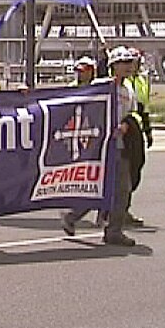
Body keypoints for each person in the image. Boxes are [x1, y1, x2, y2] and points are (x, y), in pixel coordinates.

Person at [61, 46, 141, 247]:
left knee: (123, 189)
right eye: (123, 63)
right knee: (98, 187)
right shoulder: (100, 86)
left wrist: (127, 124)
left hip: (121, 145)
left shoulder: (129, 90)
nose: (128, 67)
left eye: (129, 62)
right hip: (101, 146)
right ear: (114, 66)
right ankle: (72, 217)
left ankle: (114, 230)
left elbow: (133, 113)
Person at [125, 48, 151, 227]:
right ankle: (117, 211)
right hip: (124, 128)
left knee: (136, 168)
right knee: (123, 172)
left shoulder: (142, 81)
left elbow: (145, 107)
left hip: (137, 129)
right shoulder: (121, 81)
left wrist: (148, 131)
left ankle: (121, 208)